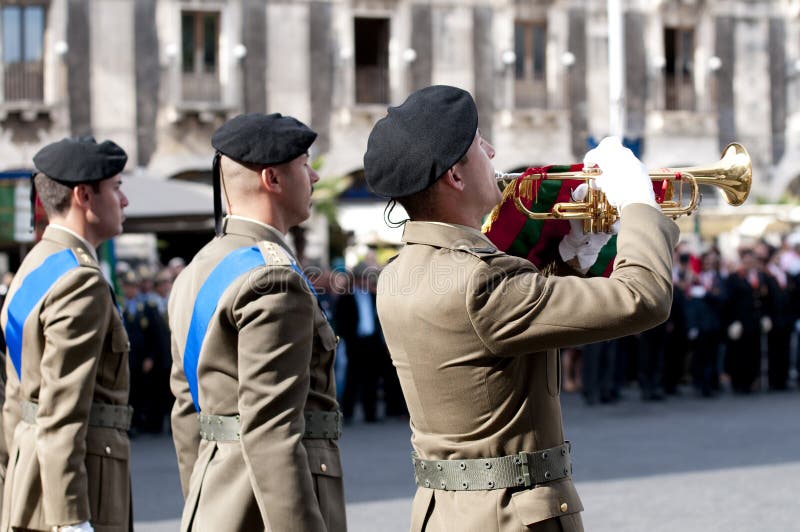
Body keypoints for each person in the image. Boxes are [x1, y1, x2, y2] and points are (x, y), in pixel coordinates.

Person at [363, 85, 679, 531]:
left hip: (447, 512)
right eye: (479, 145)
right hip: (509, 516)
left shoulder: (400, 272)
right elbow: (643, 298)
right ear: (455, 177)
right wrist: (639, 203)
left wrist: (569, 258)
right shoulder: (480, 281)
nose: (492, 152)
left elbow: (504, 337)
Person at [169, 113, 346, 531]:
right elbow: (273, 431)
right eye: (304, 164)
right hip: (263, 511)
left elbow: (186, 411)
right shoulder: (273, 278)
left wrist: (204, 503)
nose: (315, 177)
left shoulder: (199, 268)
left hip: (215, 501)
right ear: (273, 178)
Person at [0, 137, 132, 531]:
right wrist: (71, 517)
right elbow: (63, 410)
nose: (124, 201)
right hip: (80, 484)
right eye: (116, 188)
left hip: (30, 469)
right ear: (84, 196)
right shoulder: (80, 280)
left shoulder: (35, 265)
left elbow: (14, 399)